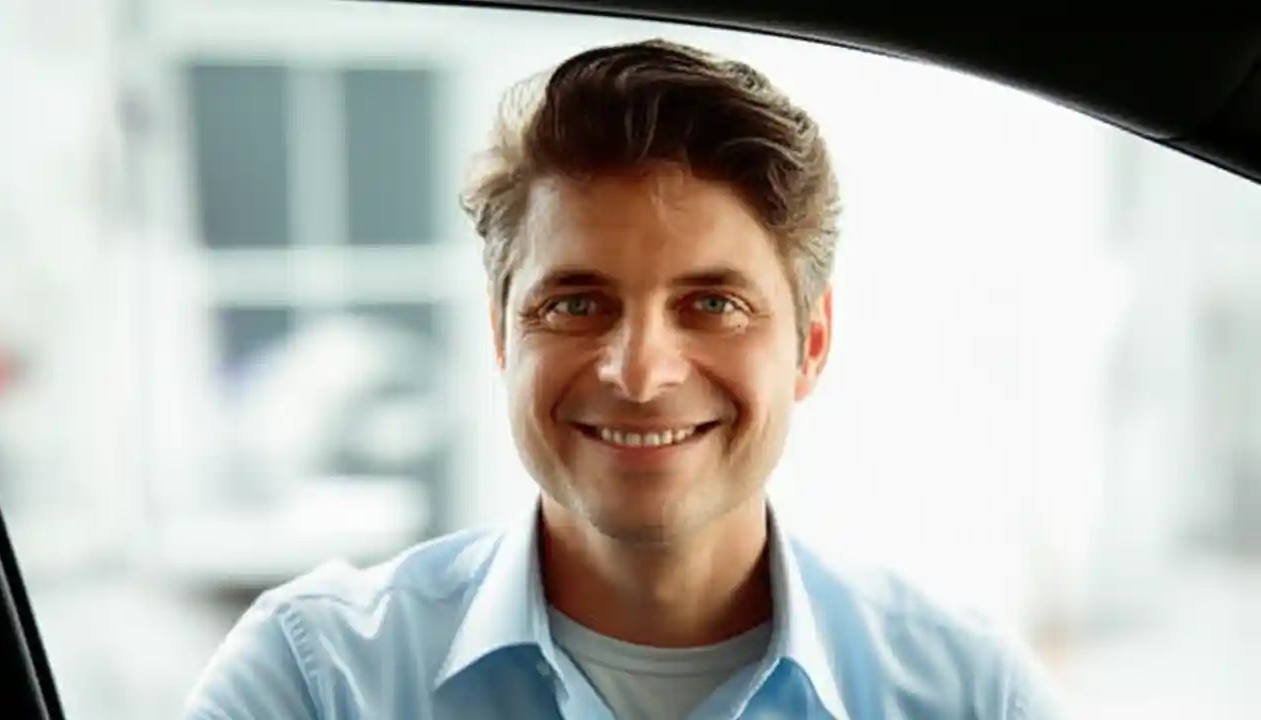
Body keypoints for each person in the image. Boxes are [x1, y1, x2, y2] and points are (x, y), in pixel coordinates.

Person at [184, 39, 1063, 719]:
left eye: (713, 304)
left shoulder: (970, 696)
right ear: (500, 334)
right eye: (576, 304)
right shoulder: (317, 680)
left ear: (812, 344)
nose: (640, 373)